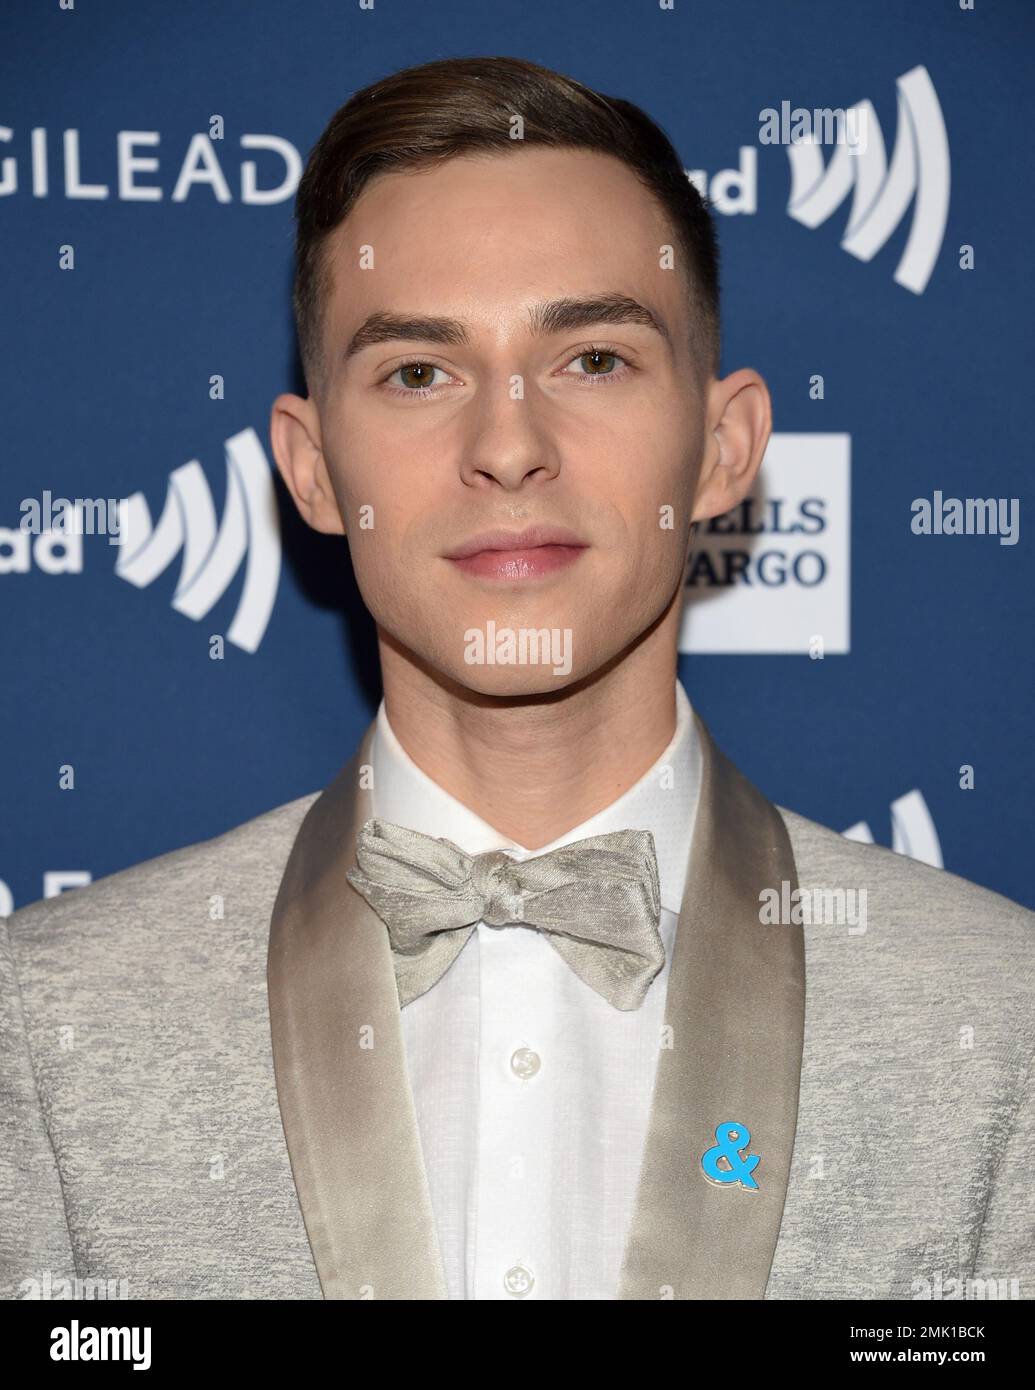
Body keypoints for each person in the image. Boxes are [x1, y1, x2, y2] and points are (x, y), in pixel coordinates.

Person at [2, 56, 1031, 1303]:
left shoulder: (1001, 1019)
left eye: (592, 359)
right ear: (312, 468)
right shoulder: (46, 1019)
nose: (507, 447)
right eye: (419, 372)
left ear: (722, 447)